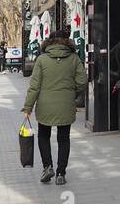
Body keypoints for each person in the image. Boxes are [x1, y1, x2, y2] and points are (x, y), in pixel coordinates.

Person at [21, 29, 86, 185]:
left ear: (49, 41)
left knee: (44, 135)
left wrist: (28, 107)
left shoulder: (42, 59)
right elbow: (83, 81)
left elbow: (34, 86)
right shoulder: (74, 58)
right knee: (64, 138)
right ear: (67, 41)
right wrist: (72, 93)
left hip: (45, 105)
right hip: (66, 104)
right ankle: (61, 173)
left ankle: (47, 166)